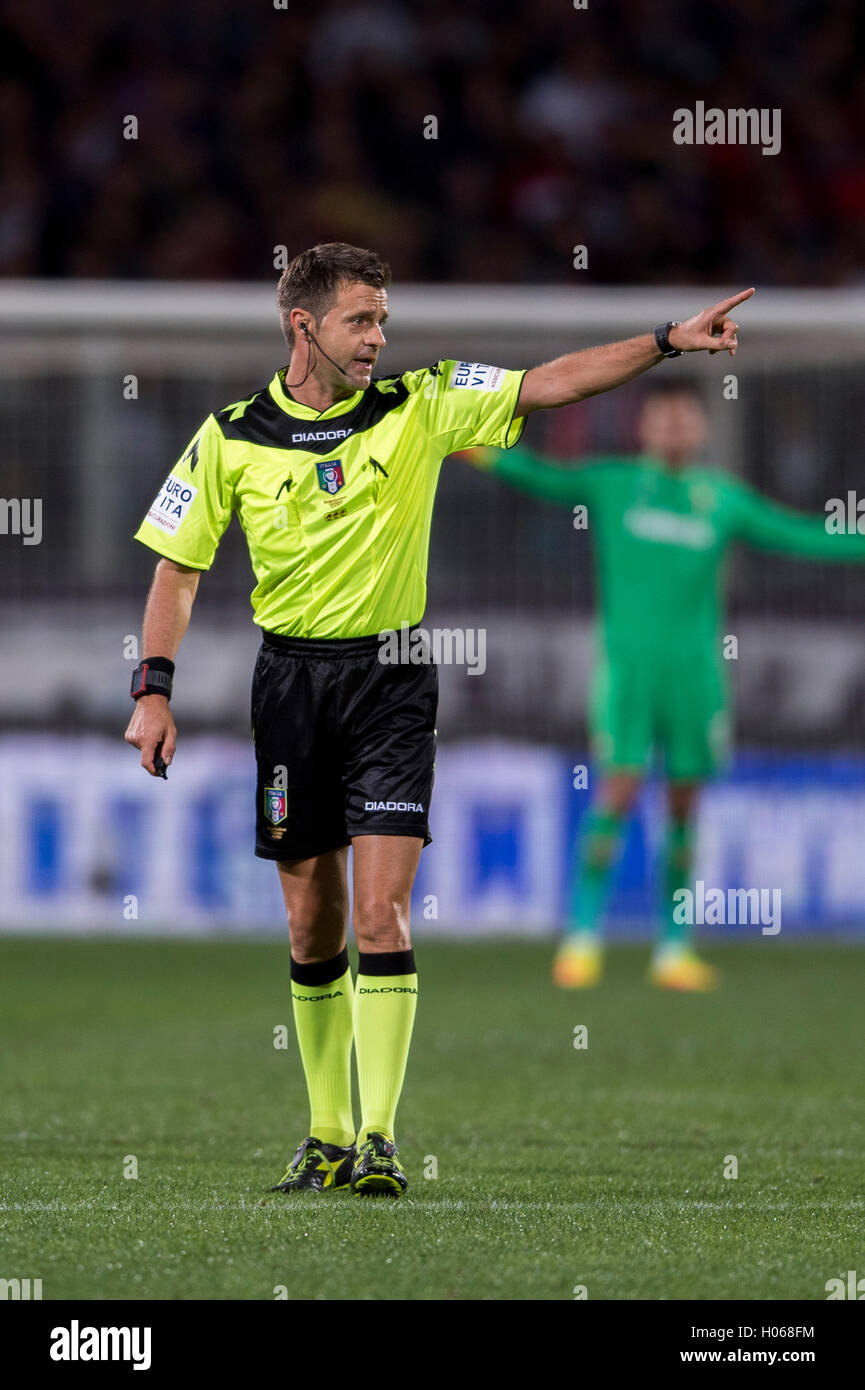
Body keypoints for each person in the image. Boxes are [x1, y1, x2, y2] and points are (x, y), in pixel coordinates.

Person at [125, 240, 752, 1193]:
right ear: (304, 326)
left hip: (391, 678)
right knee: (310, 923)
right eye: (360, 320)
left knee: (380, 909)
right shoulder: (229, 434)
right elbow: (178, 566)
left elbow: (548, 384)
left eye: (383, 317)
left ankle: (378, 1135)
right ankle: (325, 1132)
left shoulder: (420, 401)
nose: (380, 336)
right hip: (289, 684)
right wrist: (153, 690)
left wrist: (665, 340)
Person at [468, 381, 865, 992]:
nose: (675, 428)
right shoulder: (612, 483)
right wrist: (473, 447)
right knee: (618, 789)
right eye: (665, 418)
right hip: (629, 672)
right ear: (645, 429)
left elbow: (800, 535)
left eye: (685, 419)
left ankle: (673, 948)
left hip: (695, 677)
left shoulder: (720, 499)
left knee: (684, 802)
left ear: (700, 431)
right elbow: (541, 477)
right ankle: (582, 938)